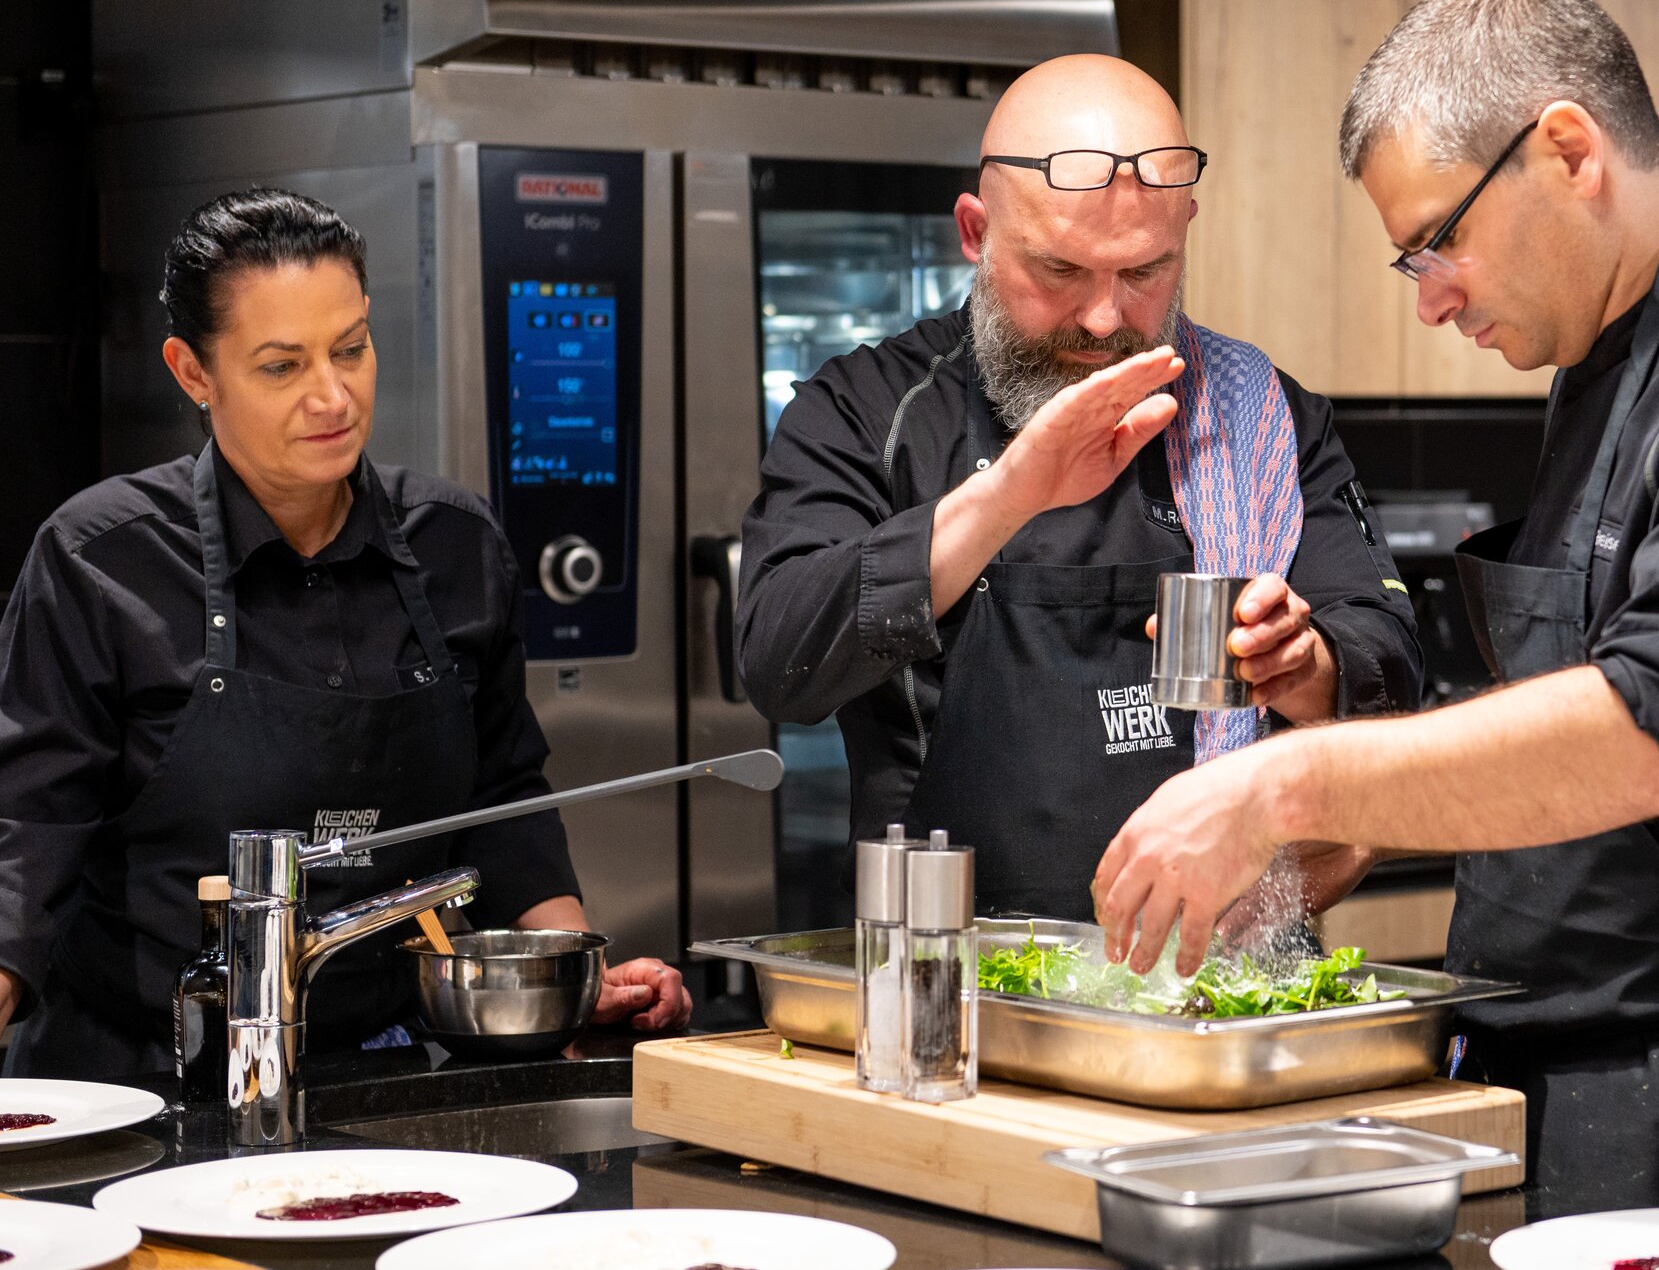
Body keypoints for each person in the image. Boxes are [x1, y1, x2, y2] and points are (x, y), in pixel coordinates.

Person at [1092, 0, 1659, 1215]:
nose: (1431, 295)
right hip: (1556, 1073)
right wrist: (1374, 816)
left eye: (1437, 240)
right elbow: (1570, 725)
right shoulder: (1602, 360)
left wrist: (1280, 782)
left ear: (1565, 149)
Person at [0, 189, 687, 1078]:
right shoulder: (101, 558)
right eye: (282, 367)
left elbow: (504, 796)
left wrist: (568, 971)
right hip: (143, 1081)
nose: (333, 395)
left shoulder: (456, 543)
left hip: (384, 1076)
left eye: (351, 350)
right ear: (192, 371)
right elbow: (26, 828)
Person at [738, 55, 1424, 920]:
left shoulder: (1260, 414)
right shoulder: (869, 409)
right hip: (948, 990)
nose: (1105, 320)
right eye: (1060, 271)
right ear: (975, 231)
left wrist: (1303, 665)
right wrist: (1008, 497)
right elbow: (778, 660)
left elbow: (1390, 670)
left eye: (1144, 272)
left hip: (1219, 987)